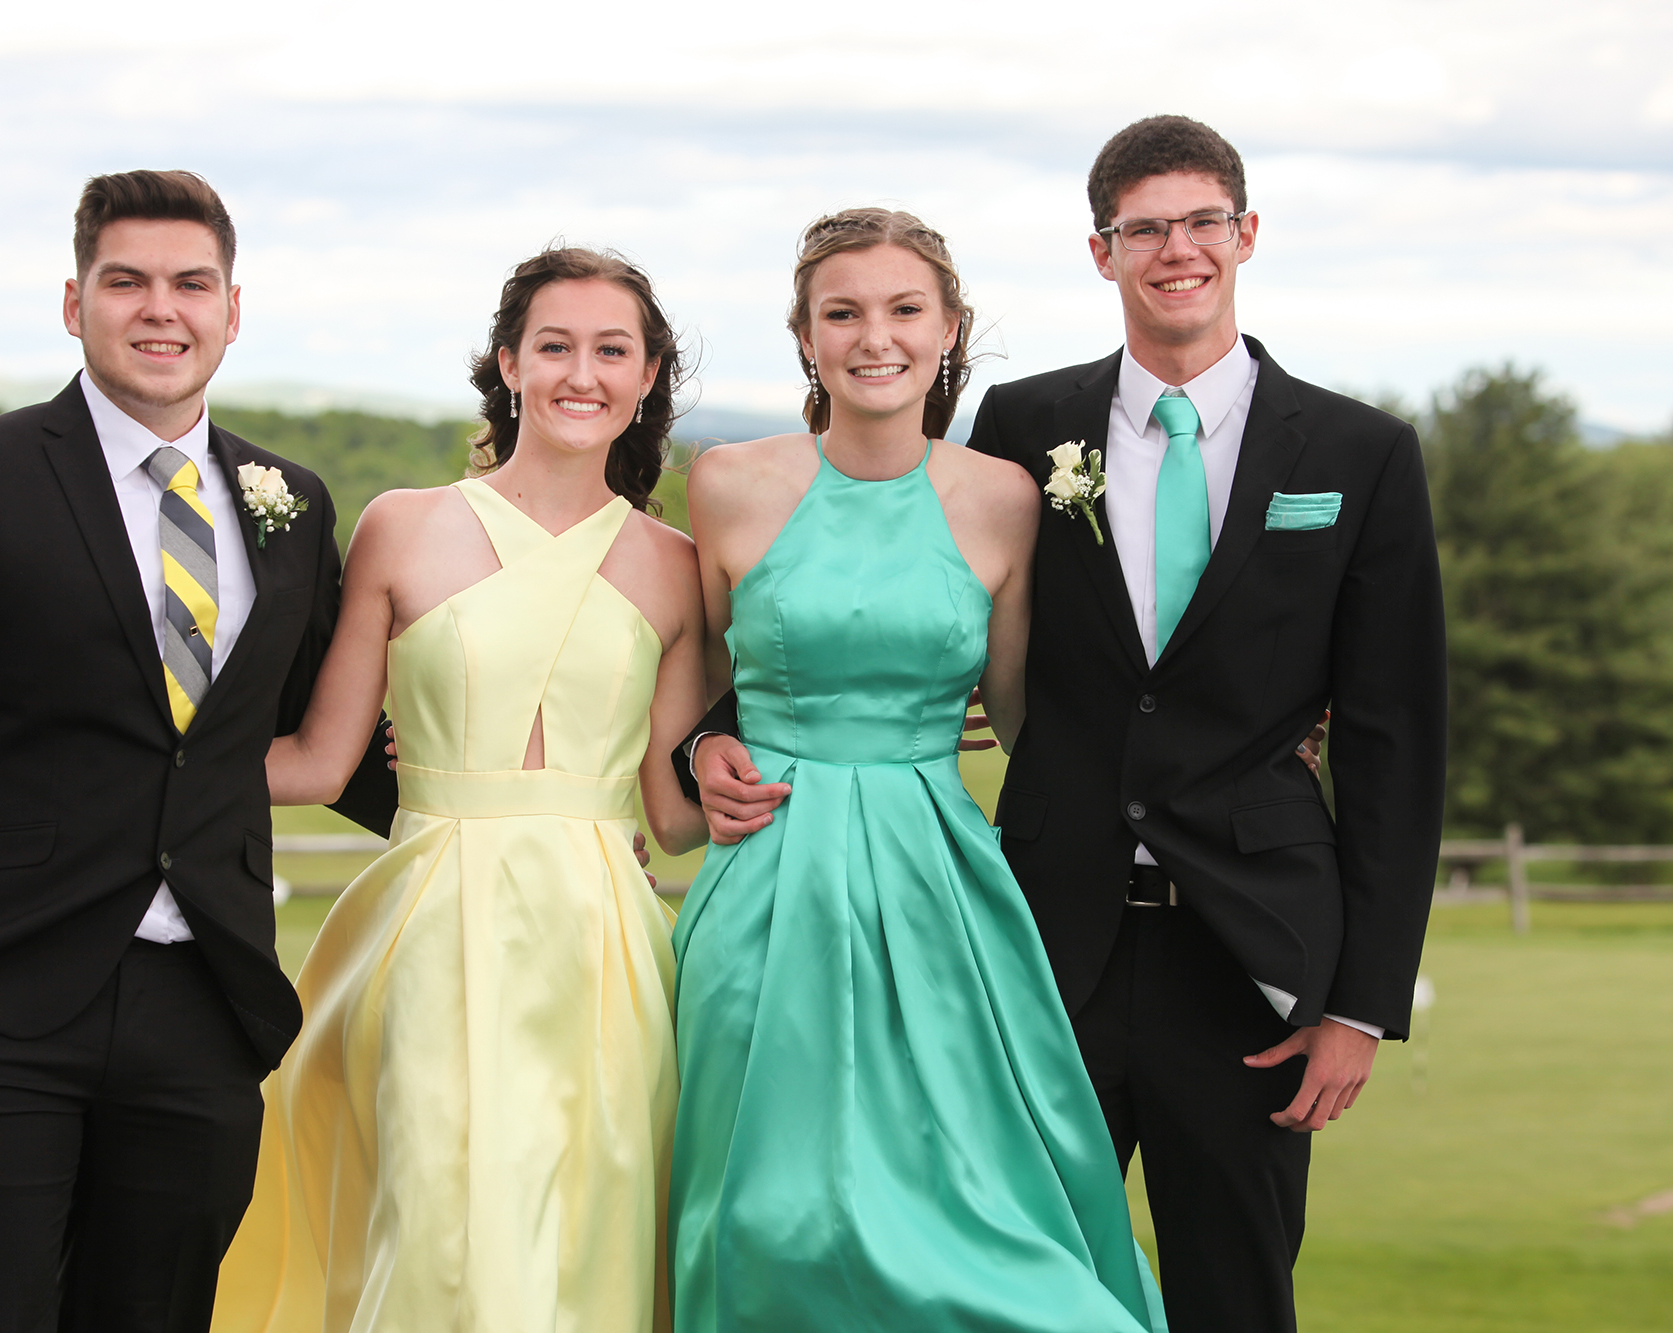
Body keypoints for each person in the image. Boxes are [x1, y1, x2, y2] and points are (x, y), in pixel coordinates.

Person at [692, 117, 1449, 1332]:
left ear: (1243, 235)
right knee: (1009, 1272)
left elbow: (1396, 741)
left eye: (1200, 222)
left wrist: (1359, 1003)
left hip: (1247, 951)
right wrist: (710, 734)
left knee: (1233, 1290)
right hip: (1033, 938)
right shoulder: (1021, 433)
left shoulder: (1360, 454)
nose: (1175, 249)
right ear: (1101, 252)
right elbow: (862, 610)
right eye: (1141, 228)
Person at [0, 169, 397, 1332]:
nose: (160, 309)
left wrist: (533, 818)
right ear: (74, 301)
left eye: (191, 284)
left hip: (202, 998)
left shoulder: (287, 499)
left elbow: (335, 724)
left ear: (231, 311)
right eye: (125, 281)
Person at [668, 208, 1166, 1332]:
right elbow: (699, 686)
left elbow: (1032, 712)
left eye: (902, 309)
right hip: (770, 874)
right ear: (804, 335)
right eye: (840, 312)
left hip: (940, 883)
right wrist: (702, 750)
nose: (872, 336)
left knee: (979, 1216)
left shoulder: (1002, 496)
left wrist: (1253, 718)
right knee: (763, 1212)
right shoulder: (727, 481)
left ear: (950, 330)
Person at [211, 246, 711, 1333]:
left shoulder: (675, 563)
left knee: (592, 1224)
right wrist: (121, 768)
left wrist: (859, 737)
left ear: (646, 375)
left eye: (611, 350)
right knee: (441, 1222)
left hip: (601, 940)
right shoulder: (404, 522)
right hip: (431, 927)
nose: (582, 372)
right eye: (555, 346)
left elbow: (672, 819)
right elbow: (318, 762)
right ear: (508, 362)